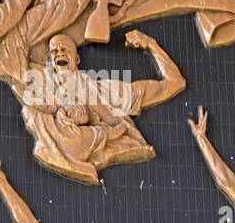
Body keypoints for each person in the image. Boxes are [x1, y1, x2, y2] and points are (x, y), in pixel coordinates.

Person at [18, 30, 184, 184]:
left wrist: (151, 44)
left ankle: (98, 138)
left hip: (97, 140)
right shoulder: (43, 92)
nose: (59, 53)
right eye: (54, 51)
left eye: (65, 49)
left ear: (76, 59)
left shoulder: (105, 91)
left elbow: (173, 84)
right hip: (60, 143)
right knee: (31, 113)